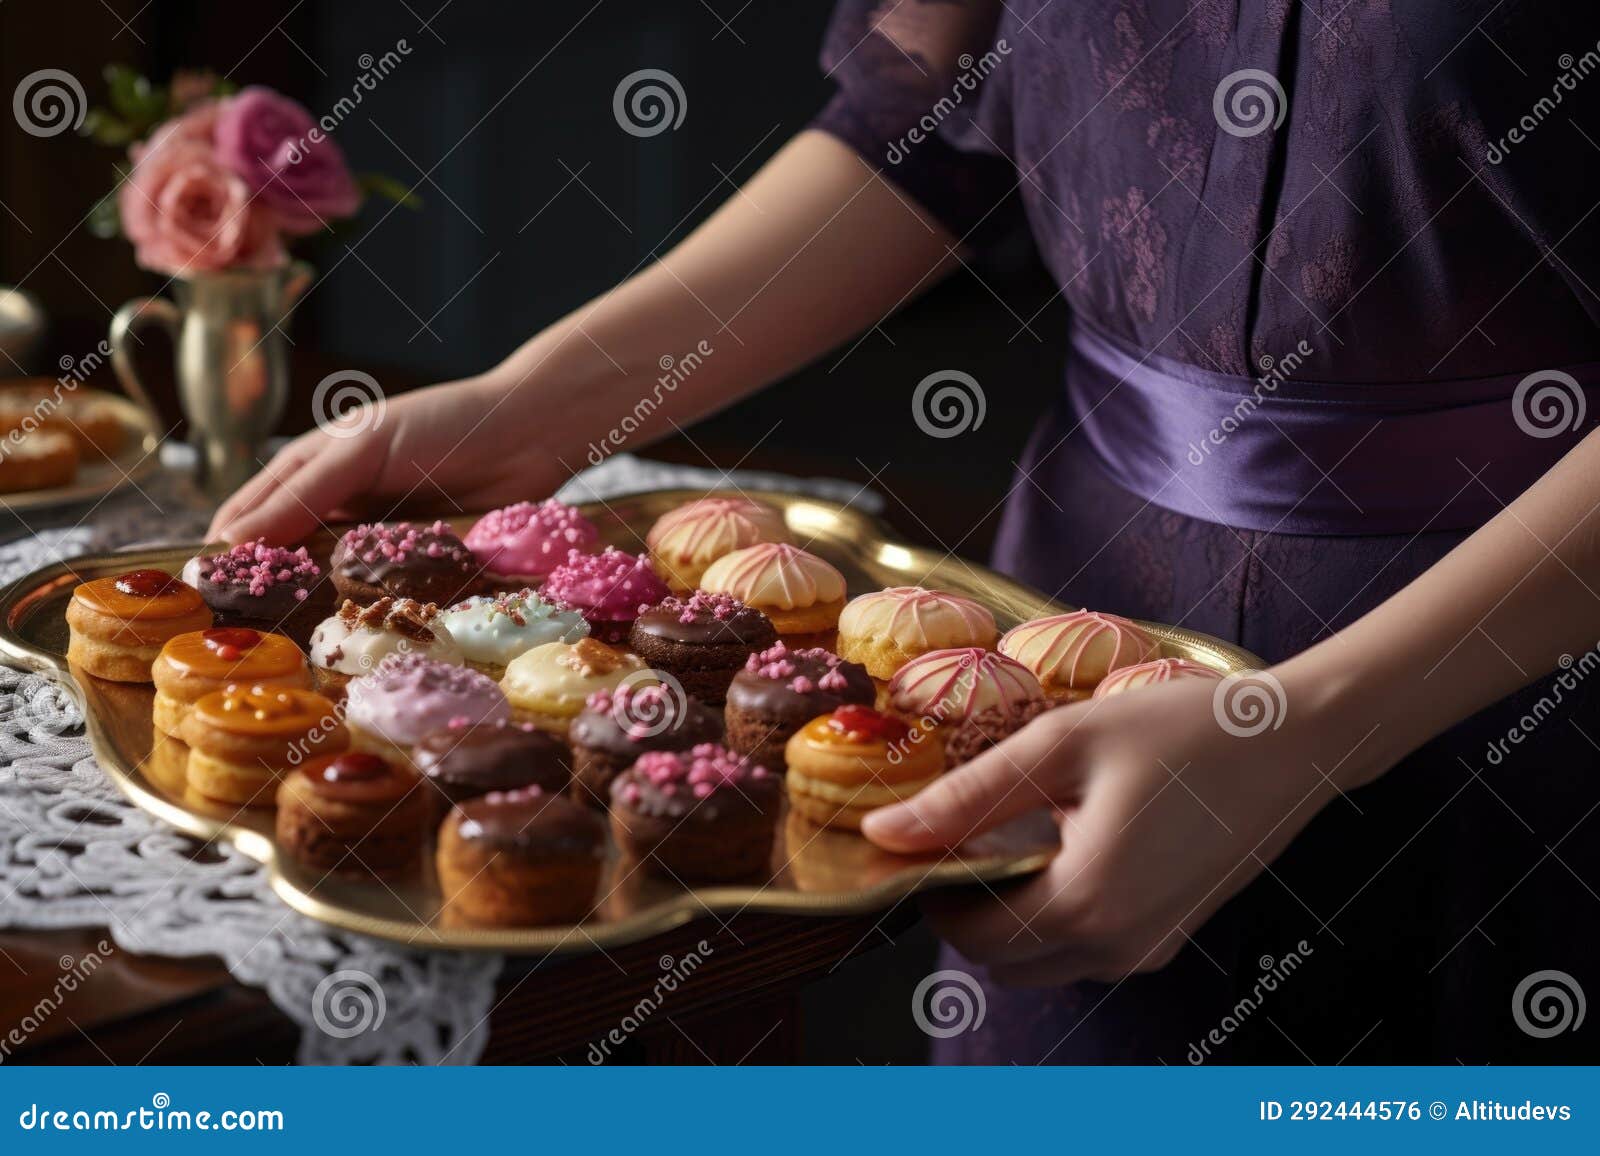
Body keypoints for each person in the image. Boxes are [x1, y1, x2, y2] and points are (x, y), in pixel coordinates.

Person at [211, 3, 1600, 1062]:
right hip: (1062, 665)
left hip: (1537, 694)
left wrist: (1300, 732)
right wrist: (538, 404)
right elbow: (920, 135)